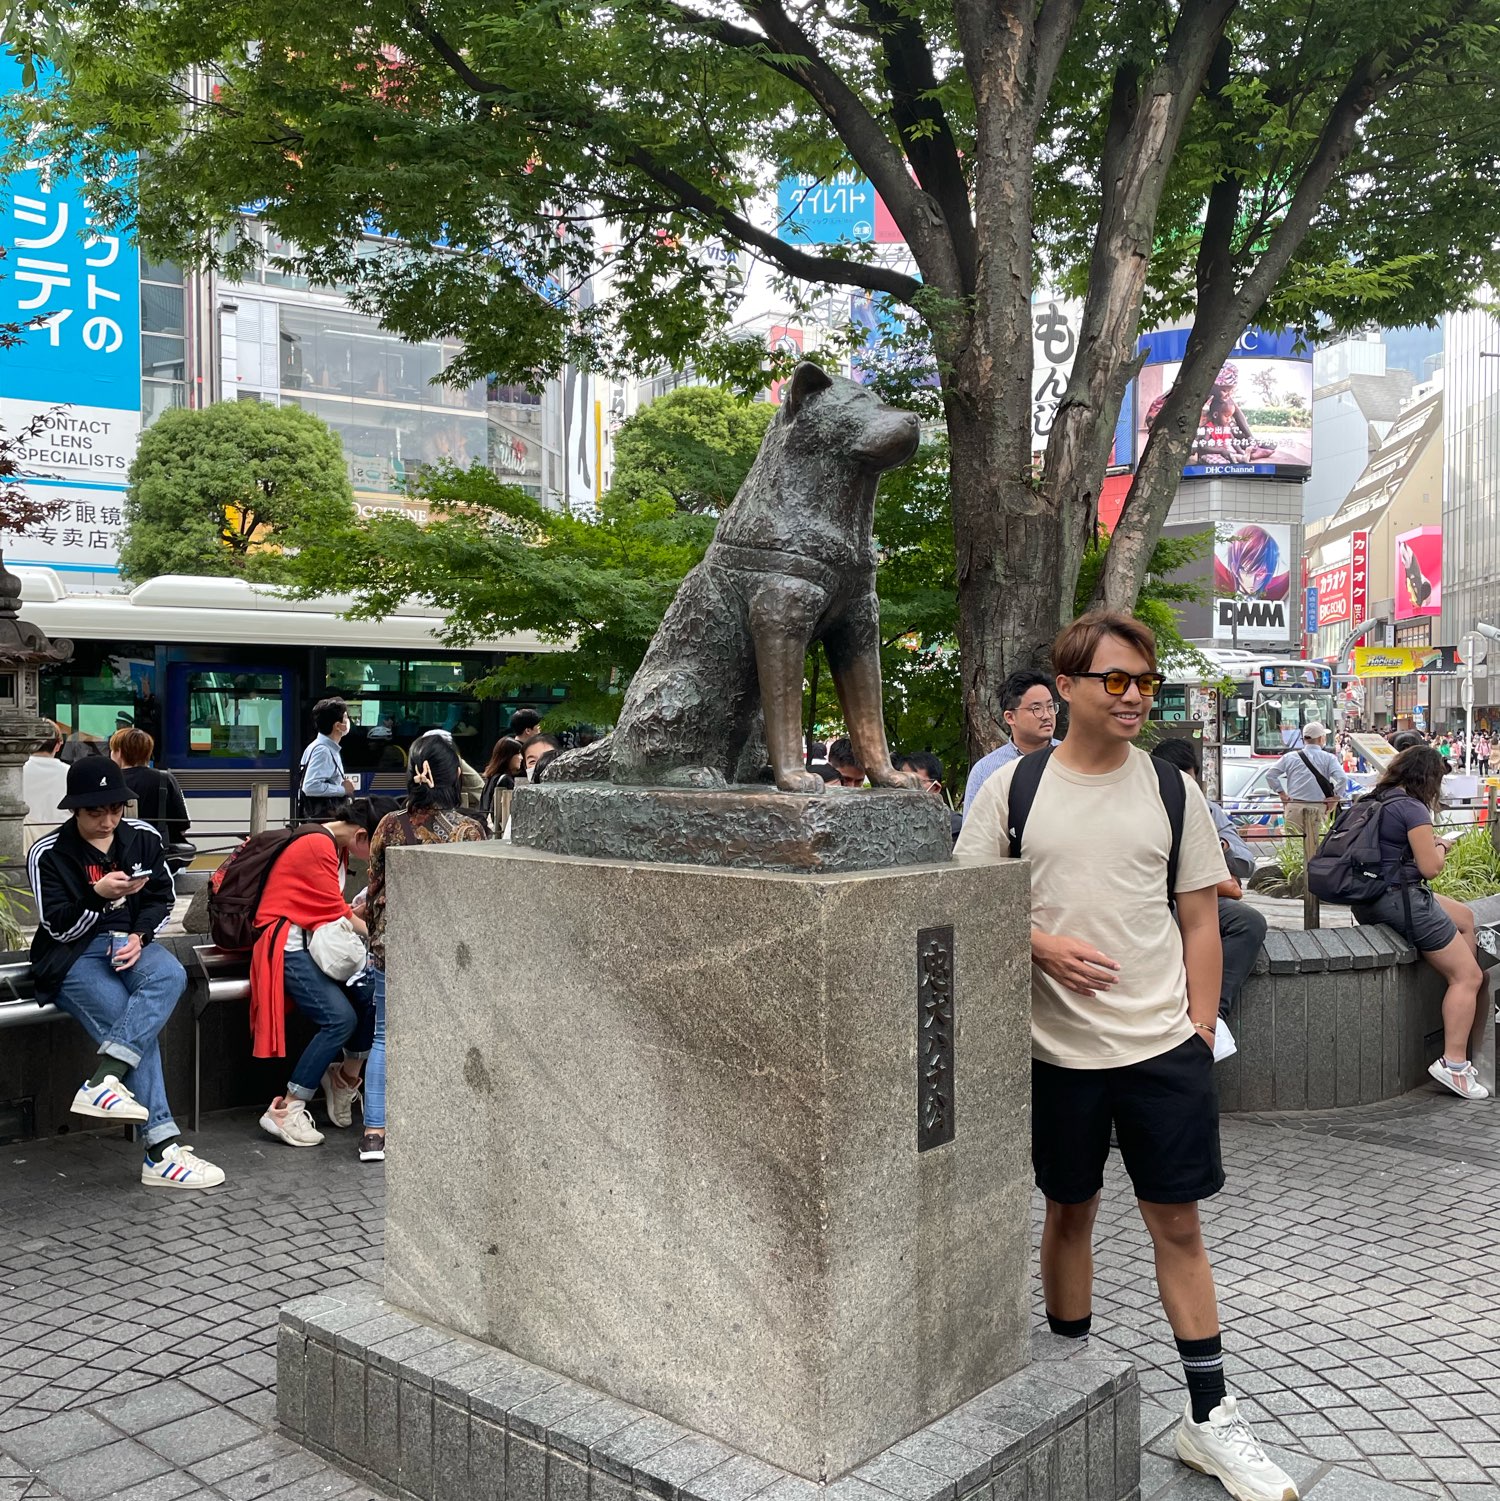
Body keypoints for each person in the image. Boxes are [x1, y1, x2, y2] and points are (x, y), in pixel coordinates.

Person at [956, 611, 1299, 1501]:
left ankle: (1210, 1416)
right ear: (1065, 687)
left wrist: (1196, 1022)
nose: (1136, 695)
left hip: (1160, 1048)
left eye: (1144, 680)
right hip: (1054, 1051)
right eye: (1115, 680)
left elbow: (1199, 914)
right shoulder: (1013, 788)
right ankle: (1069, 1386)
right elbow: (966, 901)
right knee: (1068, 1209)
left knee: (1178, 1225)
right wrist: (1040, 944)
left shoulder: (1170, 789)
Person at [27, 756, 225, 1189]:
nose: (107, 820)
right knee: (132, 1026)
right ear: (74, 810)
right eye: (95, 812)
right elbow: (57, 926)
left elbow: (160, 898)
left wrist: (139, 934)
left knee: (169, 976)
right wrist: (97, 897)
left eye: (115, 810)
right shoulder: (48, 853)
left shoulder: (143, 838)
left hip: (131, 943)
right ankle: (161, 1151)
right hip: (72, 954)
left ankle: (103, 1082)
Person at [360, 737, 488, 1162]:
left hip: (391, 949)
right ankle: (436, 1120)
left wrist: (378, 937)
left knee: (383, 1036)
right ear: (452, 776)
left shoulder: (389, 825)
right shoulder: (469, 830)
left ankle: (375, 1133)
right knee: (448, 1034)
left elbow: (373, 886)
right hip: (443, 955)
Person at [1349, 746, 1489, 1101]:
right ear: (1429, 779)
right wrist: (1441, 846)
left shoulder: (1375, 798)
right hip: (1401, 900)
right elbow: (1431, 869)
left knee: (1466, 918)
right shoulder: (1412, 808)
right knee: (1469, 976)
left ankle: (1460, 1009)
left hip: (1371, 897)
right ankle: (1454, 1064)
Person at [252, 799, 382, 1147]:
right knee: (340, 1019)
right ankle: (287, 1108)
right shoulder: (317, 845)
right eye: (376, 848)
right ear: (362, 835)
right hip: (286, 945)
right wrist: (382, 934)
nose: (375, 859)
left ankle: (344, 1078)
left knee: (367, 996)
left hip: (308, 944)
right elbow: (333, 912)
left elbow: (329, 908)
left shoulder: (331, 845)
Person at [1151, 738, 1269, 1020]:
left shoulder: (1207, 809)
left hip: (1196, 900)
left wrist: (1216, 844)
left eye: (1188, 781)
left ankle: (1212, 1015)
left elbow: (1245, 863)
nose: (1181, 790)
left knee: (1248, 921)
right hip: (1153, 902)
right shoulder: (1142, 807)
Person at [962, 670, 1061, 815]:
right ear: (1010, 717)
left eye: (1050, 707)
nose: (1046, 715)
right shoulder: (986, 770)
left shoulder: (1074, 757)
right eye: (1036, 709)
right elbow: (973, 833)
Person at [109, 727, 191, 851]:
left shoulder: (110, 781)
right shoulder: (165, 779)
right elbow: (182, 824)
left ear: (119, 753)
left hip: (119, 853)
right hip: (157, 853)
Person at [1266, 720, 1346, 832]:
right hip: (1319, 807)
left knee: (1293, 844)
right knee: (1317, 844)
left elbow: (1270, 775)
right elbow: (1342, 778)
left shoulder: (1290, 757)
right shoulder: (1329, 758)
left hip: (1294, 807)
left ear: (1304, 739)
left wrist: (1282, 793)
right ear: (1321, 738)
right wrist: (1336, 798)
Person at [299, 698, 358, 817]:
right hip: (323, 818)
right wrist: (343, 790)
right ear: (337, 726)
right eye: (346, 717)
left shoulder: (320, 747)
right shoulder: (323, 751)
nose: (348, 721)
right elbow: (310, 786)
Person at [896, 750, 963, 842]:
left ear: (935, 788)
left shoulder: (954, 826)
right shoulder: (893, 821)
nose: (905, 787)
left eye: (914, 781)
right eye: (902, 781)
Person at [23, 721, 68, 852]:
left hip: (24, 845)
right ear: (58, 745)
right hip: (62, 845)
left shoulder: (16, 772)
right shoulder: (71, 773)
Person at [481, 735, 525, 827]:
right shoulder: (505, 779)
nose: (521, 758)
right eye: (518, 754)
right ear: (508, 756)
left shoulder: (491, 777)